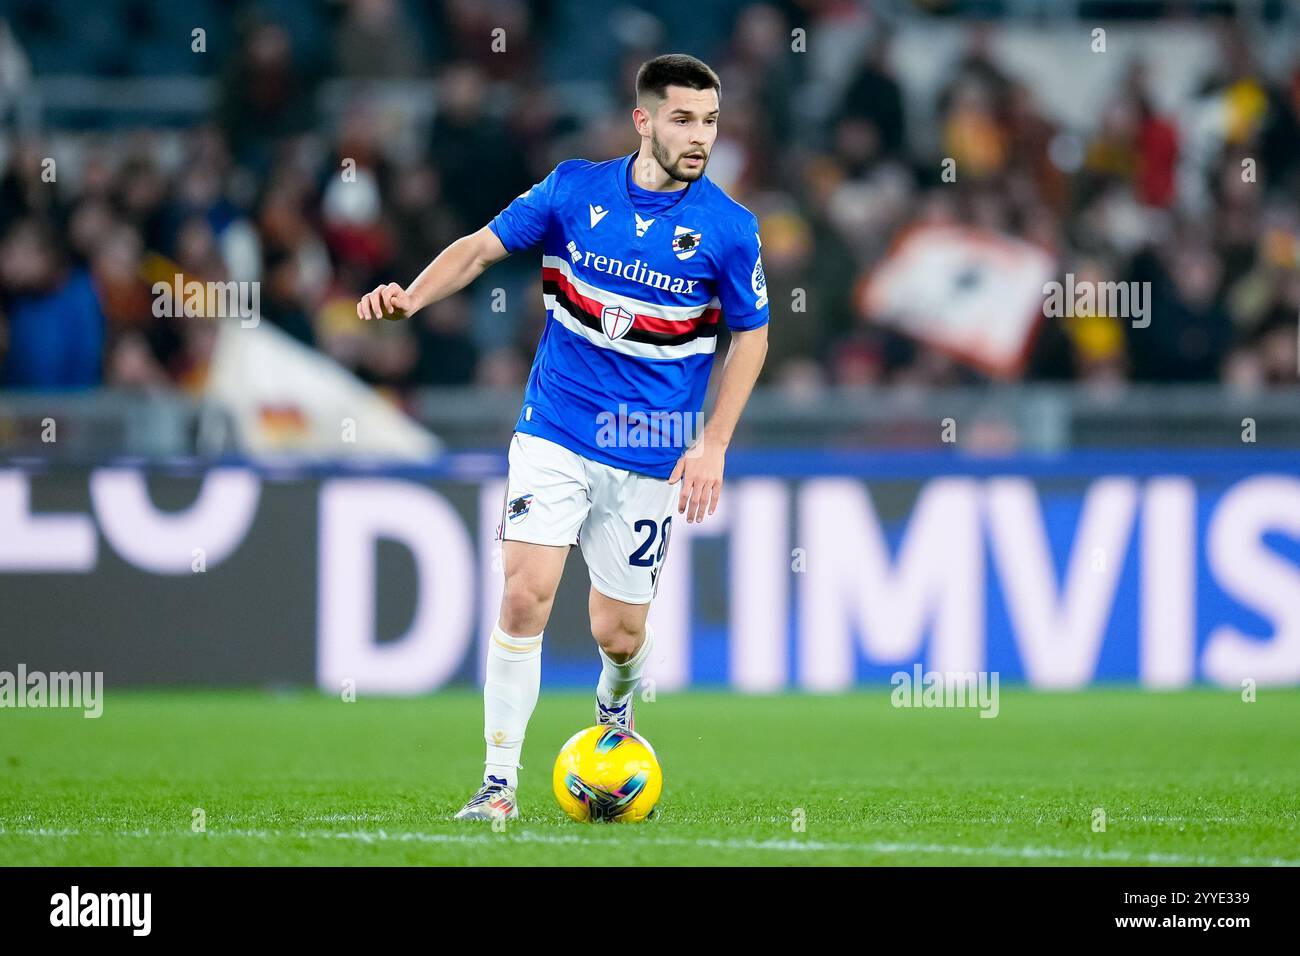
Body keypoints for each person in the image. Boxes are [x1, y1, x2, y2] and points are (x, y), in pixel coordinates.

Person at [357, 54, 770, 821]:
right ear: (643, 120)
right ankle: (498, 785)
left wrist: (713, 442)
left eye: (711, 121)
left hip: (650, 445)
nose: (700, 136)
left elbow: (751, 337)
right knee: (525, 596)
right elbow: (481, 247)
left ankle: (617, 705)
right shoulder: (573, 189)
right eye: (683, 118)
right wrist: (411, 296)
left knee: (618, 632)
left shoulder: (729, 230)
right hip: (555, 427)